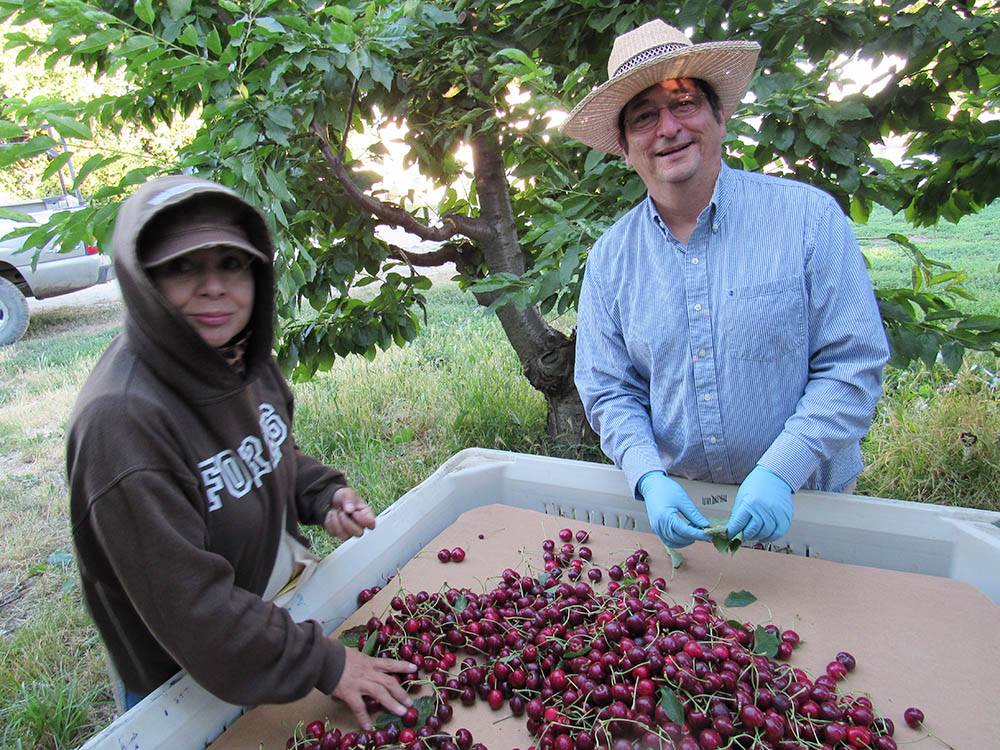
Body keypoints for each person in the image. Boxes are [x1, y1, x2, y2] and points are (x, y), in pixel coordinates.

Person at [66, 175, 415, 728]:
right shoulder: (123, 425)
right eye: (182, 267)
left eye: (232, 263)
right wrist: (326, 662)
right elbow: (194, 613)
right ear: (142, 280)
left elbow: (269, 451)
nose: (214, 287)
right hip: (186, 678)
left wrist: (318, 493)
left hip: (266, 626)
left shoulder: (236, 354)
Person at [561, 20, 890, 548]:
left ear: (719, 116)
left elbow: (852, 364)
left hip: (809, 505)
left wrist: (782, 470)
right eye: (644, 117)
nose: (668, 127)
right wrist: (648, 478)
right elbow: (608, 390)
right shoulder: (610, 260)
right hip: (687, 512)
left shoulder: (808, 220)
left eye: (684, 103)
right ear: (624, 148)